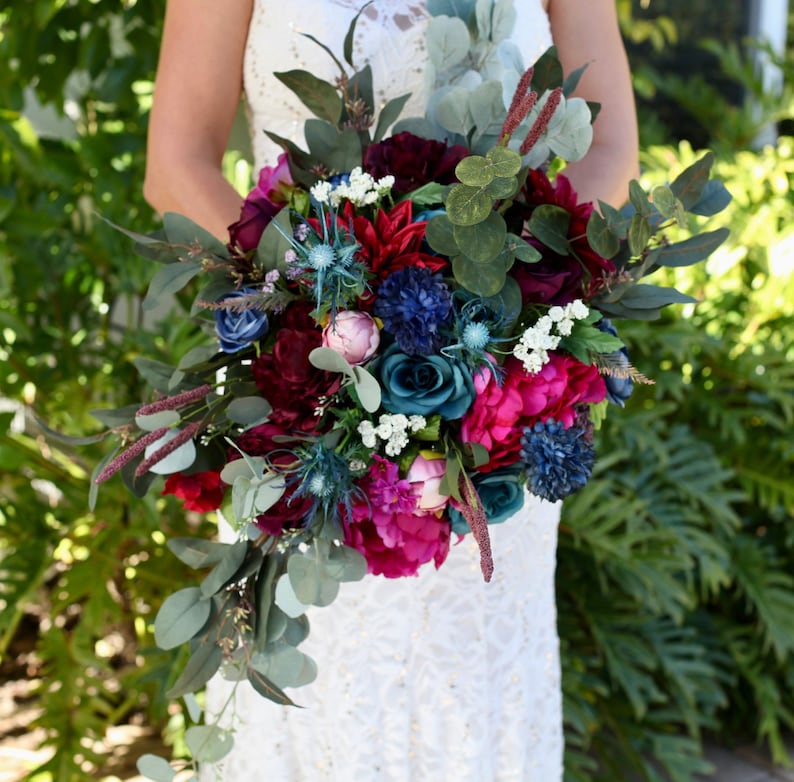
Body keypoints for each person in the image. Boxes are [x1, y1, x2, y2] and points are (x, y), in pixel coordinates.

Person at [144, 1, 638, 779]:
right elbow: (175, 164)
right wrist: (311, 304)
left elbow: (610, 151)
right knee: (319, 678)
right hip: (310, 384)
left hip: (497, 393)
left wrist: (504, 306)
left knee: (476, 692)